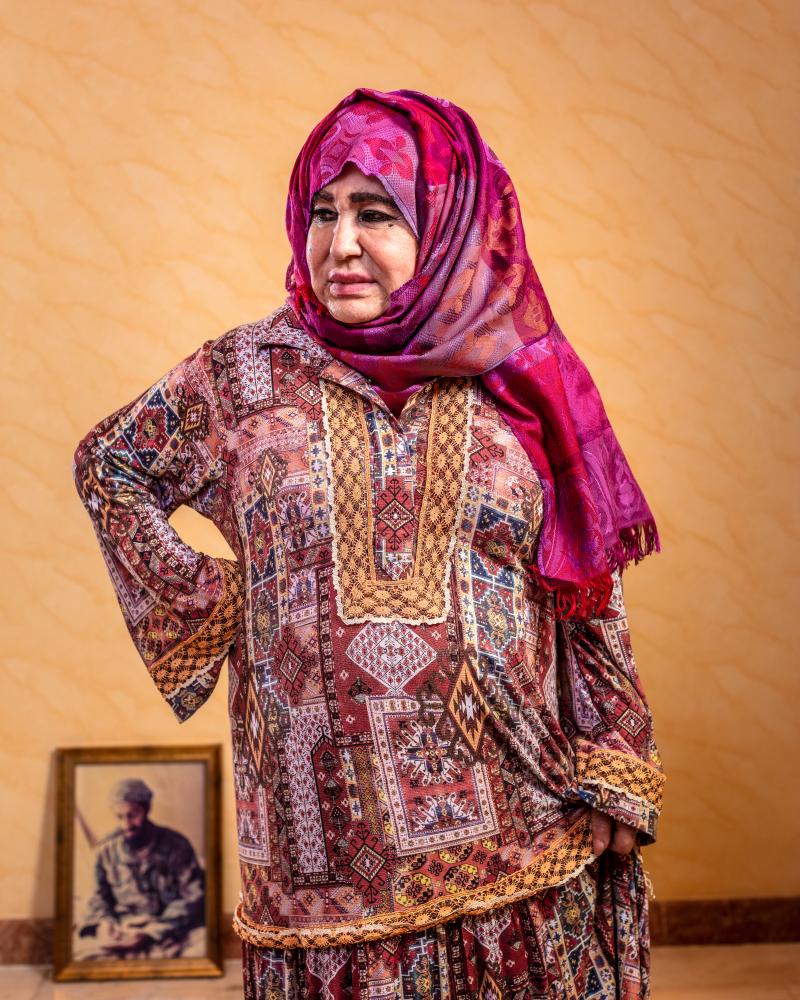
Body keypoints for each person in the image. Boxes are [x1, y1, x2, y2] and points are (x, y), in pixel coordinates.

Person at [73, 88, 664, 997]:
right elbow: (110, 466)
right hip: (319, 862)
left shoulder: (524, 378)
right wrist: (219, 604)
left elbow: (588, 576)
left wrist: (618, 757)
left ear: (448, 224)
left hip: (523, 835)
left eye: (376, 214)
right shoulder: (240, 376)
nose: (340, 244)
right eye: (323, 213)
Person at [74, 778, 205, 960]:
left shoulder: (177, 846)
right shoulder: (105, 851)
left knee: (202, 950)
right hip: (122, 929)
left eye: (133, 815)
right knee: (81, 957)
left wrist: (151, 933)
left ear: (146, 809)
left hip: (170, 929)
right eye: (120, 817)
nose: (126, 824)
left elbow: (192, 898)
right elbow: (97, 898)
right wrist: (104, 926)